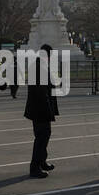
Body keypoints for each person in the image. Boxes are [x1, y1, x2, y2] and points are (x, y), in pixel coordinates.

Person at [24, 44, 59, 178]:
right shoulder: (39, 67)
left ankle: (42, 161)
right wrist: (48, 110)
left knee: (44, 136)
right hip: (40, 109)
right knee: (41, 138)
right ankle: (35, 167)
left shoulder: (39, 66)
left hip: (40, 108)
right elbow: (41, 92)